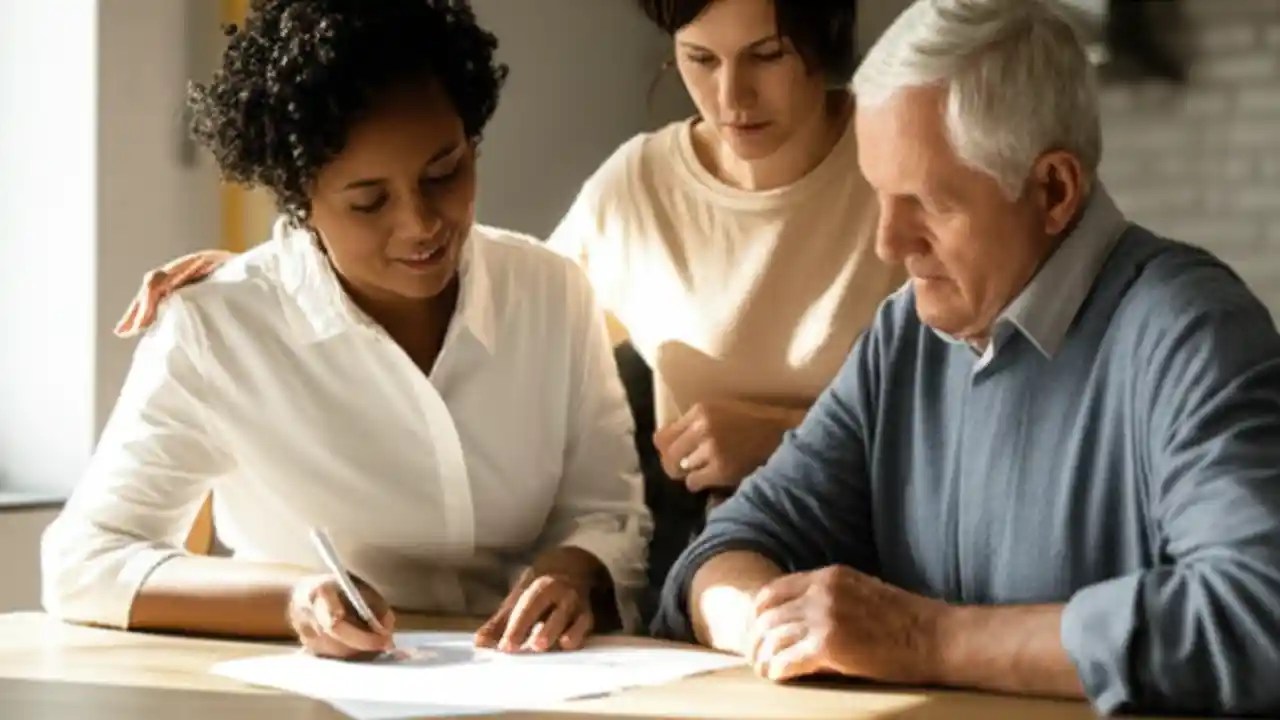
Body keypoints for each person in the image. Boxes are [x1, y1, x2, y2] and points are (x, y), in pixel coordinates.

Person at [113, 0, 906, 618]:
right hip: (731, 563)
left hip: (896, 543)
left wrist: (785, 439)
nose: (731, 97)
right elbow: (465, 288)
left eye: (766, 54)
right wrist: (262, 293)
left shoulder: (900, 166)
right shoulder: (639, 190)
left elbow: (989, 398)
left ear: (825, 36)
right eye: (700, 59)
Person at [650, 0, 1280, 716]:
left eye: (927, 203)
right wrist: (767, 623)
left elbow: (1258, 612)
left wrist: (928, 639)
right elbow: (729, 546)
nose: (889, 243)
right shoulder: (904, 338)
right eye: (880, 196)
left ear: (1054, 190)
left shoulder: (1192, 330)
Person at [42, 0, 651, 660]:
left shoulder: (551, 291)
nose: (420, 223)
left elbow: (609, 511)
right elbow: (86, 560)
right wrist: (295, 599)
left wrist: (573, 570)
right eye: (368, 201)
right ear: (301, 198)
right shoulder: (217, 329)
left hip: (531, 682)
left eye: (444, 173)